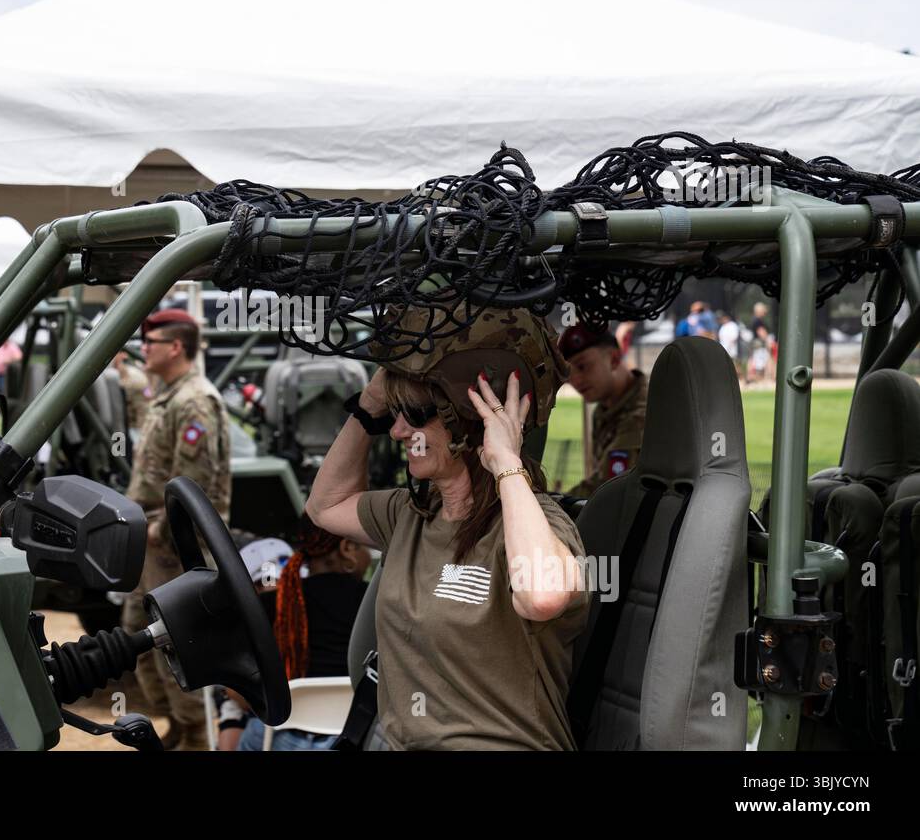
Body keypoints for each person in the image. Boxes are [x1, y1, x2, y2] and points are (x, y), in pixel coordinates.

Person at [308, 306, 588, 750]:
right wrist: (369, 407)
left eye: (415, 414)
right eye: (394, 414)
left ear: (472, 417)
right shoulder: (410, 516)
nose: (398, 432)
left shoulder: (537, 525)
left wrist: (506, 462)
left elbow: (542, 595)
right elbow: (326, 507)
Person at [120, 308, 231, 750]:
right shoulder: (168, 395)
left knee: (175, 643)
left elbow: (195, 486)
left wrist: (160, 534)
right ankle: (178, 725)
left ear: (176, 347)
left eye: (151, 342)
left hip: (171, 547)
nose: (143, 349)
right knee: (140, 638)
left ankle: (197, 733)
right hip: (151, 544)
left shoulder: (194, 401)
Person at [235, 517, 371, 750]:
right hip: (358, 735)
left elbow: (237, 692)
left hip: (278, 737)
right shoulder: (376, 602)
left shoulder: (270, 606)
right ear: (347, 548)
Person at [558, 322, 648, 499]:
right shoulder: (604, 410)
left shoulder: (641, 414)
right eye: (568, 373)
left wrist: (551, 507)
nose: (575, 380)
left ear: (614, 360)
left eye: (583, 366)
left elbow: (606, 489)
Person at [747, 301, 774, 383]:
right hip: (759, 343)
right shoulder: (758, 320)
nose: (765, 312)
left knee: (753, 359)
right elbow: (761, 332)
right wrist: (768, 341)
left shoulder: (754, 319)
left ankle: (751, 377)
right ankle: (757, 377)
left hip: (755, 343)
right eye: (763, 310)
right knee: (760, 360)